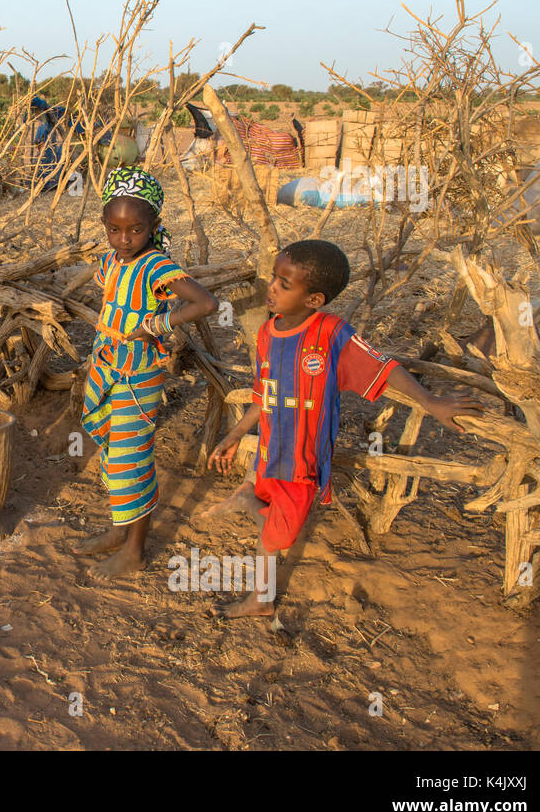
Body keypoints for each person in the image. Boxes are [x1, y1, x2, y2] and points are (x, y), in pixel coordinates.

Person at [204, 239, 484, 617]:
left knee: (276, 536)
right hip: (271, 453)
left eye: (285, 284)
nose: (271, 287)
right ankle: (259, 572)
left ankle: (259, 593)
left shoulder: (332, 335)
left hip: (302, 462)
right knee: (272, 530)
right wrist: (236, 435)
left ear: (315, 299)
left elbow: (385, 368)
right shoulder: (269, 333)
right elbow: (262, 396)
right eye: (274, 278)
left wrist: (430, 401)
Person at [72, 167, 219, 579]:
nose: (124, 239)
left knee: (130, 460)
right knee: (113, 450)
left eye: (135, 230)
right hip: (107, 364)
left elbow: (205, 303)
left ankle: (135, 550)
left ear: (153, 226)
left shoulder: (156, 266)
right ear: (104, 225)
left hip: (137, 374)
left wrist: (156, 325)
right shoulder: (111, 260)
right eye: (115, 229)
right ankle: (121, 533)